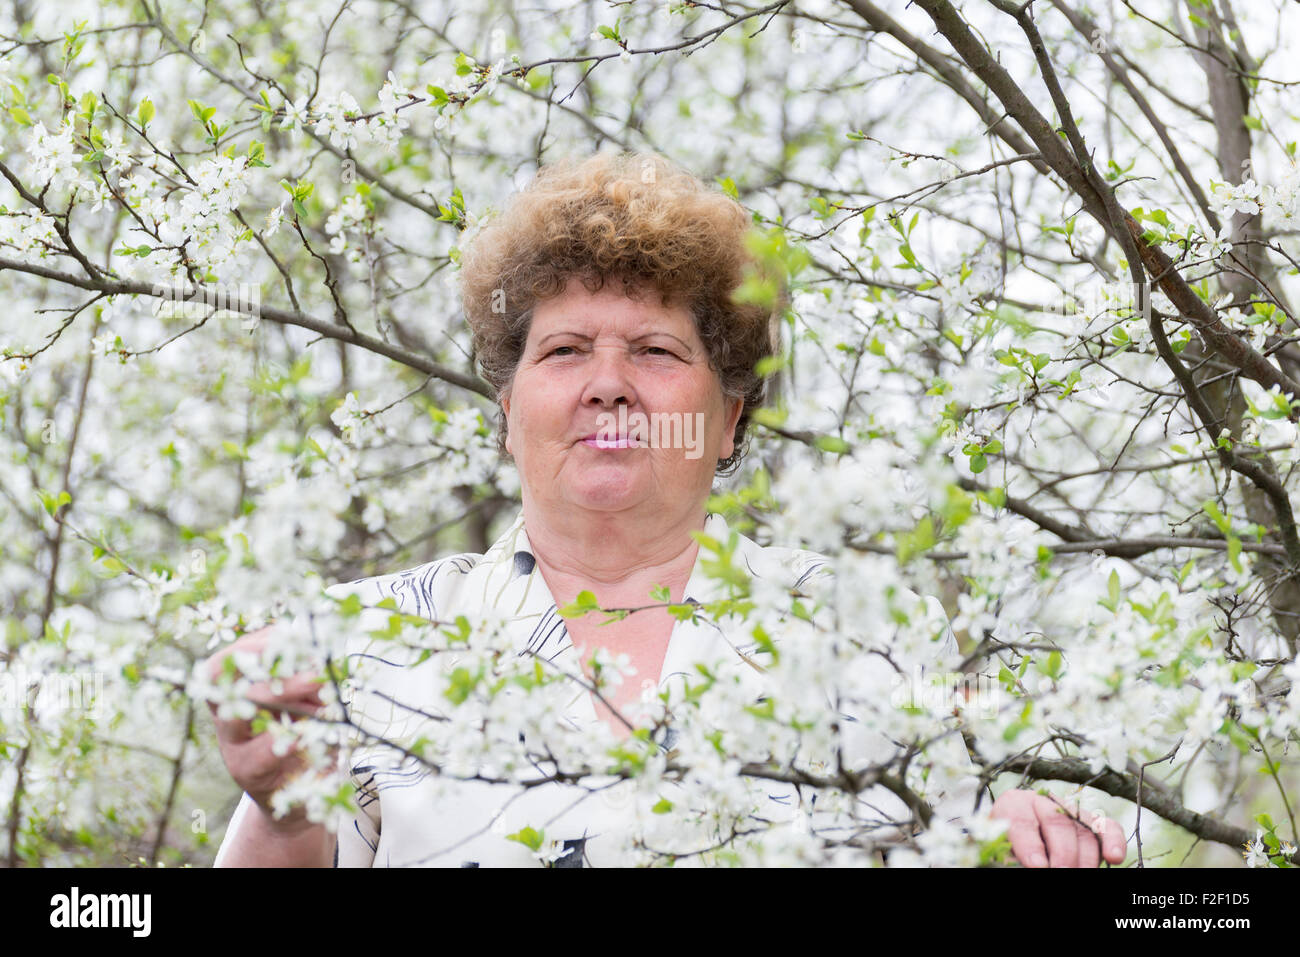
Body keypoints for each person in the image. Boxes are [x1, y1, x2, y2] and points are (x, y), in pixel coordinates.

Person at [209, 151, 1126, 867]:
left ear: (728, 417)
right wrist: (280, 807)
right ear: (506, 415)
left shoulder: (866, 635)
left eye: (654, 351)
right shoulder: (359, 646)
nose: (608, 385)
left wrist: (1008, 837)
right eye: (565, 350)